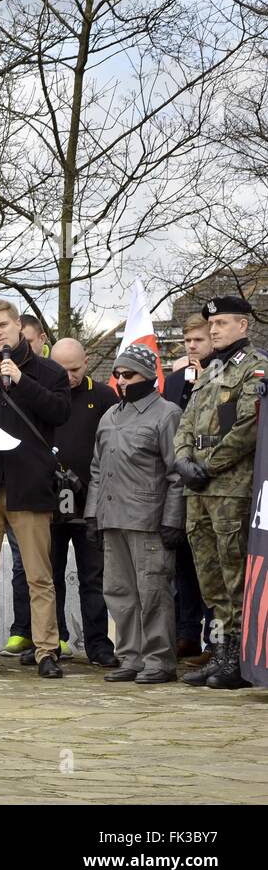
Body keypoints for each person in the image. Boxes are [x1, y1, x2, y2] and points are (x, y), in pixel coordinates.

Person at [0, 298, 71, 679]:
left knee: (39, 575)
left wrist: (22, 382)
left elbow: (59, 413)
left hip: (29, 485)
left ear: (19, 326)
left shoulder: (48, 372)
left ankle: (46, 651)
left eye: (3, 325)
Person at [173, 295, 268, 689]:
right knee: (209, 577)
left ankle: (242, 660)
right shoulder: (211, 371)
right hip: (198, 490)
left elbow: (248, 426)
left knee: (236, 575)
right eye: (211, 325)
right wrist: (182, 460)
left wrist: (207, 466)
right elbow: (186, 421)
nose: (213, 330)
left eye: (222, 324)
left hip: (230, 488)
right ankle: (223, 653)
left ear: (243, 326)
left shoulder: (255, 368)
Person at [7, 339, 119, 667]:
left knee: (93, 578)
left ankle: (99, 645)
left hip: (90, 506)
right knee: (47, 577)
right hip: (46, 503)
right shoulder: (37, 393)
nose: (69, 376)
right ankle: (51, 642)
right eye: (62, 369)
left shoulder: (103, 397)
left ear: (87, 362)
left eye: (76, 369)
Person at [85, 344, 184, 683]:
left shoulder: (167, 414)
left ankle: (159, 660)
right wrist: (92, 516)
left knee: (153, 591)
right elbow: (97, 470)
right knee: (118, 592)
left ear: (149, 376)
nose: (122, 381)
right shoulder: (110, 416)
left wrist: (173, 519)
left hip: (148, 520)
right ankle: (131, 656)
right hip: (112, 519)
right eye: (118, 375)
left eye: (129, 374)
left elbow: (176, 473)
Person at [162, 313, 215, 664]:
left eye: (198, 340)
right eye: (188, 341)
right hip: (179, 482)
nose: (192, 346)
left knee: (212, 566)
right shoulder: (176, 379)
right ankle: (186, 634)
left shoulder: (225, 373)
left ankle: (217, 639)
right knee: (183, 562)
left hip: (213, 479)